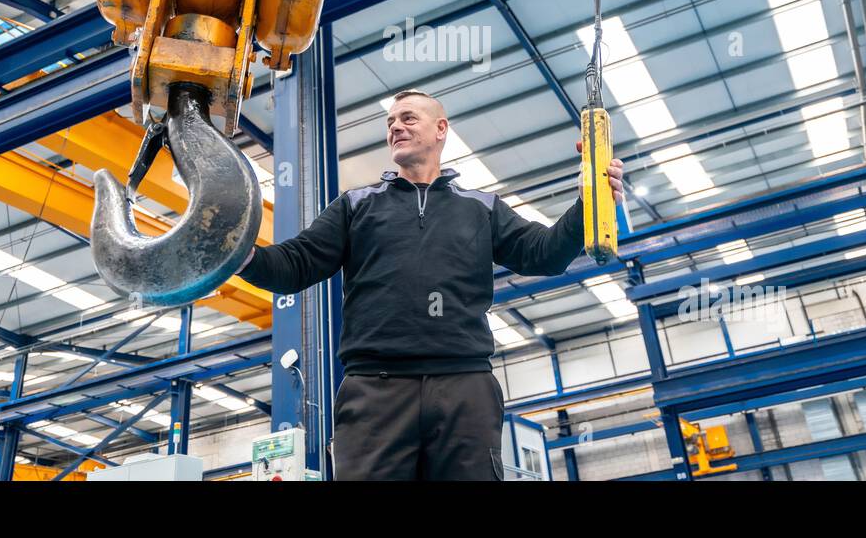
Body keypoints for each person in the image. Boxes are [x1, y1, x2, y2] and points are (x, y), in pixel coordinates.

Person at [237, 88, 624, 480]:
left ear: (441, 129)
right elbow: (295, 264)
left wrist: (588, 201)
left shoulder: (482, 207)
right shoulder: (356, 206)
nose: (395, 128)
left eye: (407, 118)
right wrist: (238, 252)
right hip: (374, 392)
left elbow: (546, 254)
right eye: (390, 123)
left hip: (464, 388)